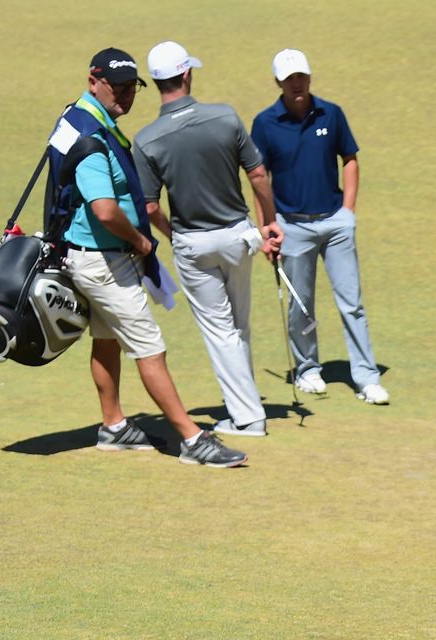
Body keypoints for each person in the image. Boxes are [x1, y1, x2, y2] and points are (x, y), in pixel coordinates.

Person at [53, 48, 246, 469]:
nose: (126, 95)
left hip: (90, 255)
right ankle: (192, 439)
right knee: (149, 348)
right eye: (117, 87)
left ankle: (114, 426)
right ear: (94, 81)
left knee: (107, 339)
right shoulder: (91, 138)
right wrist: (140, 242)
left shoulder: (79, 118)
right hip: (104, 262)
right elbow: (105, 210)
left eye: (132, 87)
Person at [132, 41, 284, 438]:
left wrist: (173, 234)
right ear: (186, 74)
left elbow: (149, 208)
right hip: (239, 236)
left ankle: (247, 418)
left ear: (157, 82)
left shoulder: (146, 140)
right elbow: (257, 175)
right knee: (238, 326)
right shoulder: (225, 116)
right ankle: (245, 408)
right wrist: (270, 223)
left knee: (221, 330)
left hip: (194, 243)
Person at [250, 49, 388, 405]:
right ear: (278, 82)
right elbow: (259, 178)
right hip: (292, 227)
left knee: (352, 303)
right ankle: (308, 368)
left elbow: (350, 159)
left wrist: (348, 211)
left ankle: (366, 377)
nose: (296, 83)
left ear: (309, 77)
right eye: (289, 78)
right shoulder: (265, 123)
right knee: (301, 305)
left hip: (335, 223)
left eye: (301, 76)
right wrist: (266, 228)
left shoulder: (332, 113)